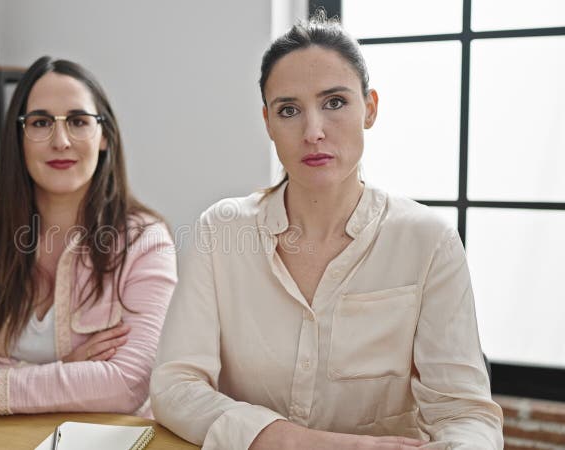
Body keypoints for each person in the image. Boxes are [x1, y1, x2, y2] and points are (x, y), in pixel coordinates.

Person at [150, 12, 503, 450]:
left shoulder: (427, 241)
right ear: (267, 123)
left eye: (334, 102)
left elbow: (464, 413)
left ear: (369, 108)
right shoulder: (221, 230)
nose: (313, 132)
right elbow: (175, 386)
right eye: (289, 110)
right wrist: (297, 441)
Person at [0, 56, 177, 417]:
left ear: (104, 136)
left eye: (77, 121)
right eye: (40, 122)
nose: (61, 141)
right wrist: (63, 372)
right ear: (18, 137)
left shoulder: (145, 241)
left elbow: (129, 383)